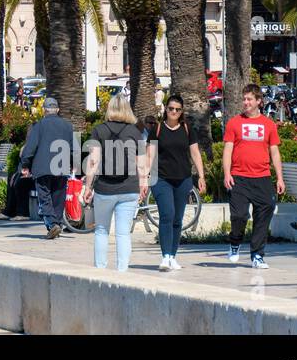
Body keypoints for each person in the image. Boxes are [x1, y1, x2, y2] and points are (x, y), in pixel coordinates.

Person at [222, 83, 285, 268]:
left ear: (259, 101)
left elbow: (274, 152)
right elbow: (227, 150)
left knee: (264, 213)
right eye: (244, 99)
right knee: (240, 216)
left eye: (249, 99)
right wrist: (227, 173)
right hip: (239, 177)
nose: (246, 102)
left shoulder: (269, 125)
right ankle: (235, 243)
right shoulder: (234, 122)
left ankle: (257, 255)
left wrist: (279, 177)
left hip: (262, 178)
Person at [83, 93, 146, 271]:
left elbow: (93, 161)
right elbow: (141, 163)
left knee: (101, 230)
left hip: (104, 188)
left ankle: (100, 270)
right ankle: (122, 271)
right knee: (123, 233)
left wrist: (88, 186)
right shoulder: (135, 132)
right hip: (129, 188)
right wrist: (143, 184)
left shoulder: (99, 130)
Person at [147, 93, 206, 271]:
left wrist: (201, 176)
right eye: (171, 108)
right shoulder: (157, 129)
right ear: (166, 109)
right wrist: (143, 178)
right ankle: (165, 256)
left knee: (177, 219)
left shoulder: (187, 129)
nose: (174, 111)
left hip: (183, 179)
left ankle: (173, 256)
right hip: (161, 179)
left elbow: (195, 153)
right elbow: (149, 155)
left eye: (178, 109)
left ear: (181, 112)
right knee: (167, 214)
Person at [20, 97, 74, 238]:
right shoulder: (68, 126)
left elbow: (30, 148)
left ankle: (52, 224)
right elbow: (73, 148)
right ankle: (57, 223)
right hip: (61, 167)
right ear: (57, 110)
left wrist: (25, 164)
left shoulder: (39, 125)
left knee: (44, 197)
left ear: (44, 110)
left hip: (42, 167)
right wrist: (74, 164)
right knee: (58, 197)